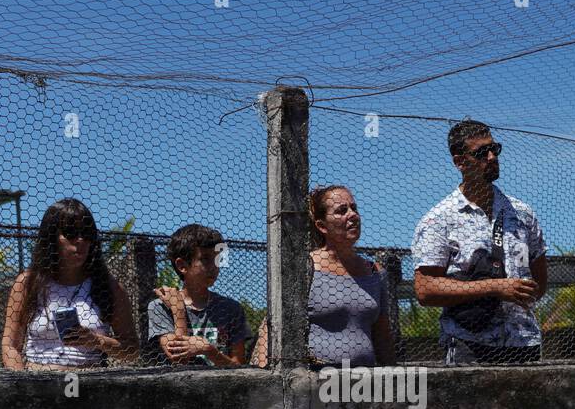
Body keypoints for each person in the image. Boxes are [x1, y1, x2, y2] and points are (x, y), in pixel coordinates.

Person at [411, 119, 547, 364]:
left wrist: (526, 294)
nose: (492, 157)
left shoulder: (523, 214)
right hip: (470, 345)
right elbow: (425, 289)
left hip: (524, 341)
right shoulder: (439, 219)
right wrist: (494, 288)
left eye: (495, 149)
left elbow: (540, 280)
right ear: (460, 162)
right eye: (482, 152)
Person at [250, 185, 395, 368]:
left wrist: (393, 378)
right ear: (321, 226)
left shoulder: (374, 271)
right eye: (342, 211)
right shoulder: (303, 268)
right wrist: (265, 378)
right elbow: (271, 325)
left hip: (363, 384)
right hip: (313, 383)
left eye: (354, 208)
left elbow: (383, 334)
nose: (352, 215)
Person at [1, 199, 139, 370]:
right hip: (39, 384)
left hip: (91, 385)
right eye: (71, 232)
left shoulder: (108, 286)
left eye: (87, 233)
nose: (80, 240)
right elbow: (10, 346)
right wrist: (22, 385)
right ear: (51, 237)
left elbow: (132, 350)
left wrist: (97, 341)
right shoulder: (28, 283)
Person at [144, 224, 247, 367]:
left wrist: (209, 350)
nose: (214, 267)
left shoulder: (231, 309)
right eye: (205, 259)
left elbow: (240, 367)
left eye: (217, 259)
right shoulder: (160, 307)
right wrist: (178, 309)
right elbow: (180, 360)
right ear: (182, 266)